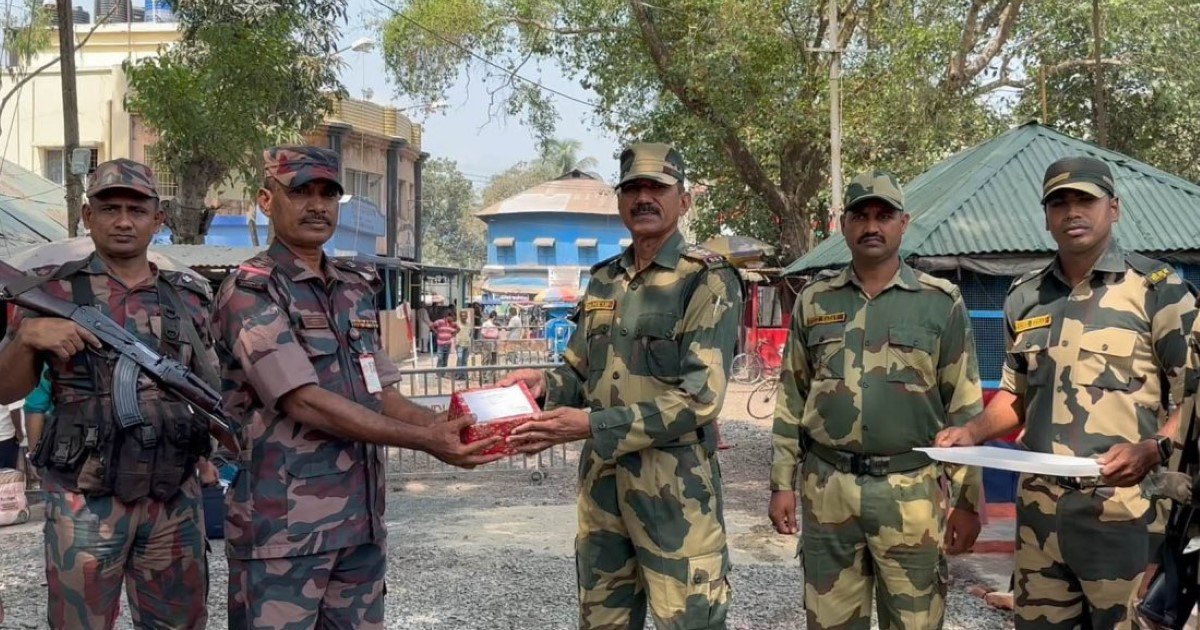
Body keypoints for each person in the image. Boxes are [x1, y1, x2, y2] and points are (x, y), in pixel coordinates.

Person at [212, 146, 503, 628]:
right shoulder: (252, 289)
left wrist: (448, 423)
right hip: (282, 532)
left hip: (360, 525)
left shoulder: (353, 287)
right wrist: (426, 442)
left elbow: (381, 393)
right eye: (301, 191)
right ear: (266, 200)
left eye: (328, 194)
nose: (317, 205)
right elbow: (302, 400)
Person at [936, 156, 1197, 629]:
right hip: (1041, 521)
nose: (1072, 211)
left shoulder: (1159, 291)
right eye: (1059, 202)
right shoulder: (1026, 296)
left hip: (1127, 517)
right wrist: (970, 432)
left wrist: (1153, 447)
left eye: (1085, 200)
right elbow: (1017, 396)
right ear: (1046, 216)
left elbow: (1194, 401)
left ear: (1113, 208)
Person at [501, 142, 743, 629]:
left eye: (658, 187)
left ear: (685, 200)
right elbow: (578, 371)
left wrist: (590, 423)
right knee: (602, 622)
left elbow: (700, 397)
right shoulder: (604, 281)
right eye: (632, 187)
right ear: (619, 200)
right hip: (603, 489)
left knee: (690, 622)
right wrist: (543, 386)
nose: (644, 197)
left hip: (675, 491)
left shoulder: (706, 281)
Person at [0, 159, 217, 629]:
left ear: (158, 219)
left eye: (137, 210)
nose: (123, 220)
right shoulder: (51, 290)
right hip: (85, 500)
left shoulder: (189, 297)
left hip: (172, 499)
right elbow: (5, 389)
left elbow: (210, 387)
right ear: (86, 215)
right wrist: (28, 337)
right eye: (110, 207)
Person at [767, 171, 984, 629]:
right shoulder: (814, 299)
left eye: (883, 216)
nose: (872, 226)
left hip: (910, 494)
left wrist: (967, 499)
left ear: (904, 223)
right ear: (842, 224)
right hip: (829, 492)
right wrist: (781, 483)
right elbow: (792, 398)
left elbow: (964, 405)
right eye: (860, 215)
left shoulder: (939, 302)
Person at [454, 309, 473, 380]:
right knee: (459, 359)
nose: (464, 317)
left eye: (465, 316)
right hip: (459, 345)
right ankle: (458, 375)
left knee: (465, 361)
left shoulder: (469, 324)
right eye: (462, 316)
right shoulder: (457, 324)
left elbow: (470, 333)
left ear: (467, 316)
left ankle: (464, 375)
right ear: (460, 316)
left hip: (467, 345)